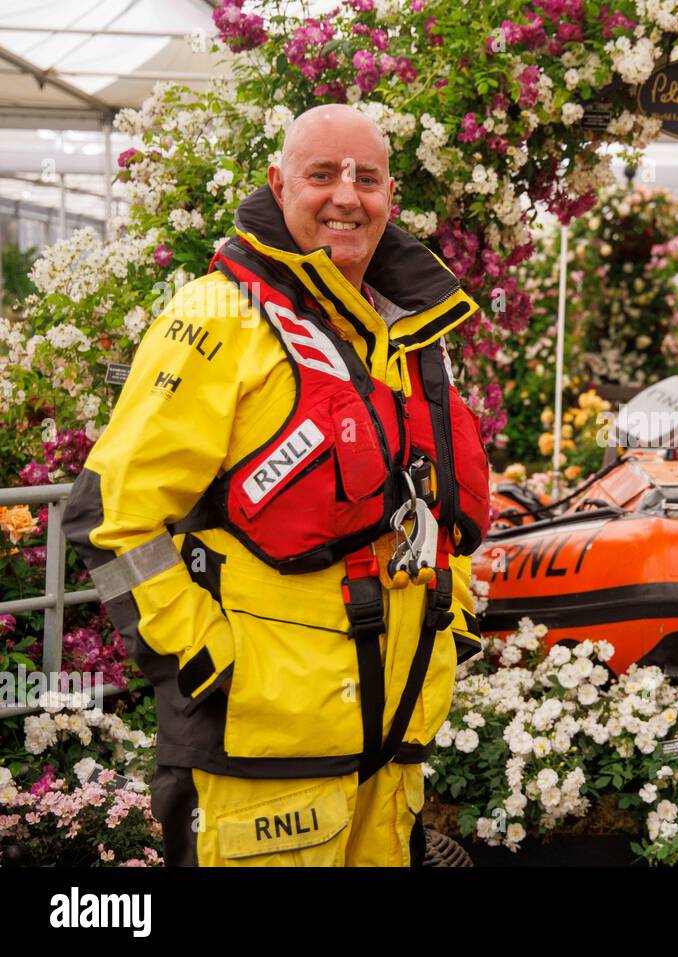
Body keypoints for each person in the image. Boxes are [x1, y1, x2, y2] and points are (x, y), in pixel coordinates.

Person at [64, 105, 490, 867]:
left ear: (391, 193)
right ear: (278, 184)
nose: (346, 197)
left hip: (387, 754)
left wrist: (447, 618)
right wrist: (205, 660)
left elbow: (426, 509)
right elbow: (111, 516)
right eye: (322, 175)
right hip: (260, 755)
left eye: (367, 177)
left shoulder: (408, 329)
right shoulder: (217, 315)